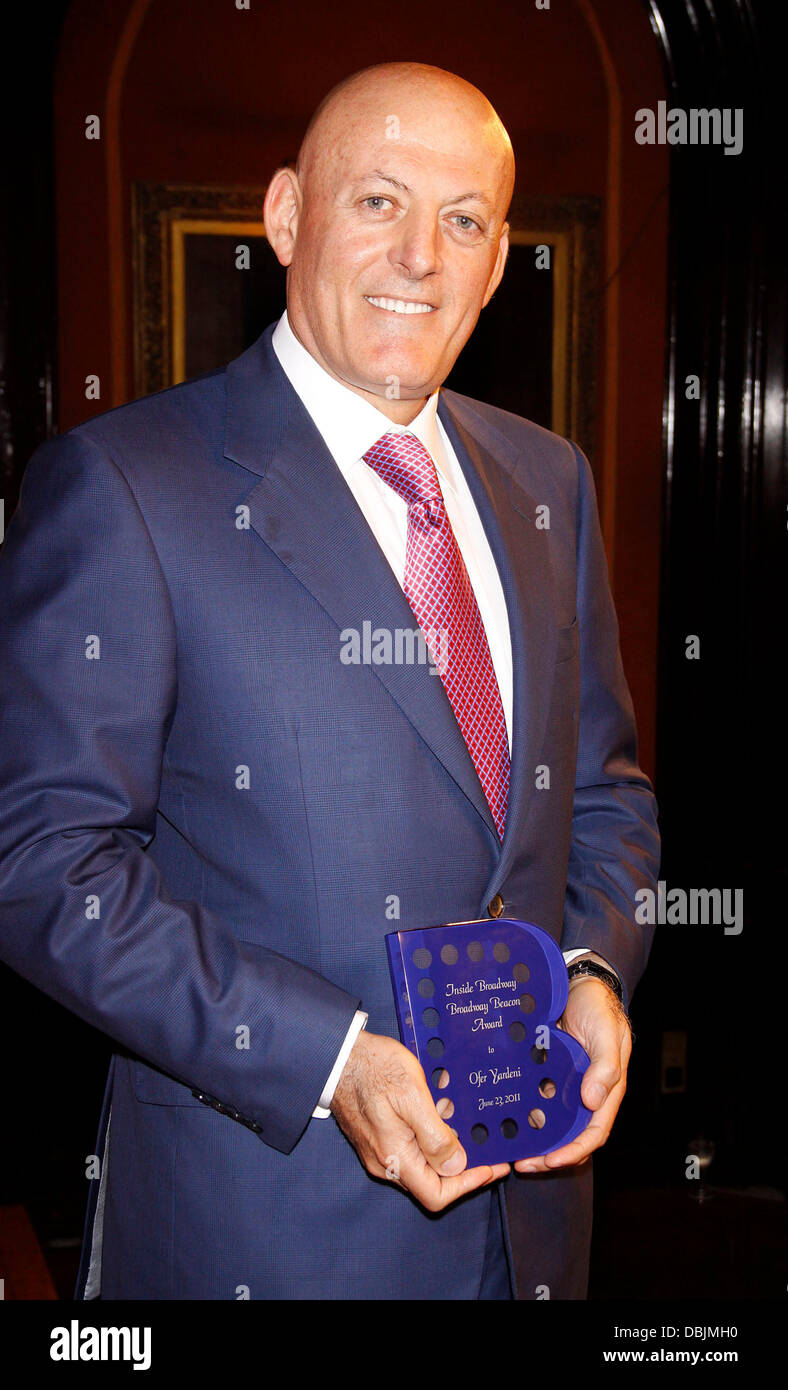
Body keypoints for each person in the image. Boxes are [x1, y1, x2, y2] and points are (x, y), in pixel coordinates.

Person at [0, 61, 659, 1300]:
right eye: (377, 203)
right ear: (288, 215)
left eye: (462, 221)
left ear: (498, 253)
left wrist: (590, 970)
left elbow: (605, 799)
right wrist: (327, 1057)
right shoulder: (127, 489)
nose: (420, 255)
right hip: (266, 1229)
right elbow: (38, 864)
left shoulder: (547, 483)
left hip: (534, 1229)